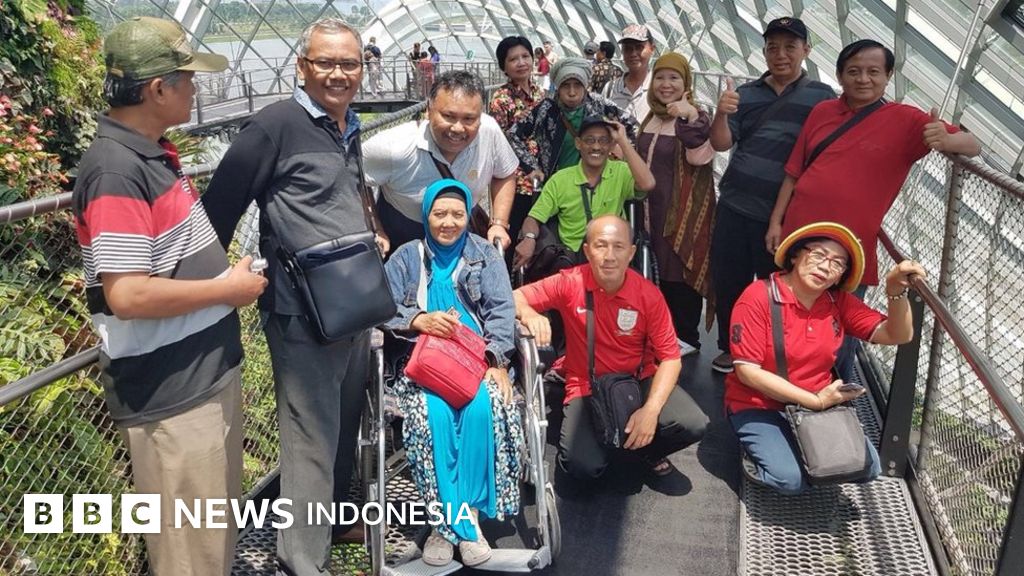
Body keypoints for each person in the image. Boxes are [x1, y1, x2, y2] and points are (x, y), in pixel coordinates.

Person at [72, 17, 267, 576]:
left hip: (200, 377)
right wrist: (227, 288)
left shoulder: (151, 154)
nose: (196, 89)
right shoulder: (117, 169)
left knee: (211, 536)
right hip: (173, 394)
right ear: (158, 89)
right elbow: (128, 292)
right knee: (190, 550)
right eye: (187, 79)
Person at [202, 18, 376, 575]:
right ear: (301, 66)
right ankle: (302, 561)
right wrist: (217, 288)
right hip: (302, 312)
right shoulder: (275, 124)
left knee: (343, 425)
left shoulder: (343, 125)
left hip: (354, 301)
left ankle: (329, 525)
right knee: (311, 439)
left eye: (348, 63)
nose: (337, 73)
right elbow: (217, 212)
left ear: (362, 69)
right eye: (325, 62)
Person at [765, 39, 981, 379]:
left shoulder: (906, 120)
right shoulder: (823, 112)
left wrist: (947, 139)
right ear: (839, 75)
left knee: (839, 330)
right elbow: (794, 172)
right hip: (798, 235)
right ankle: (781, 386)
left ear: (888, 75)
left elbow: (973, 145)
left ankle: (830, 402)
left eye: (873, 72)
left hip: (849, 249)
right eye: (853, 71)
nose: (862, 79)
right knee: (784, 317)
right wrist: (775, 222)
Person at [383, 179, 523, 567]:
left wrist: (496, 364)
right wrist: (418, 320)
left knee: (485, 408)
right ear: (425, 216)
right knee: (433, 417)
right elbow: (382, 309)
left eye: (457, 214)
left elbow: (501, 312)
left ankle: (463, 520)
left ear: (468, 216)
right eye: (439, 214)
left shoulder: (485, 256)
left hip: (475, 363)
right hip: (422, 366)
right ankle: (449, 525)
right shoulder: (406, 258)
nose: (448, 222)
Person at [726, 222, 926, 495]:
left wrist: (895, 291)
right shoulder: (758, 297)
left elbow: (897, 335)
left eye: (837, 263)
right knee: (790, 480)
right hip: (761, 404)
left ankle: (794, 449)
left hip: (814, 409)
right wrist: (816, 400)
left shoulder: (836, 302)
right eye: (818, 255)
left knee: (867, 468)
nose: (825, 266)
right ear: (795, 255)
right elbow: (747, 372)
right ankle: (757, 453)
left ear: (840, 276)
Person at [514, 215, 708, 480]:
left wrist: (650, 411)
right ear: (587, 251)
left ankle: (647, 449)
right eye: (600, 245)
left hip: (637, 378)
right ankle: (609, 441)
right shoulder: (570, 282)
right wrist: (530, 315)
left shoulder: (648, 295)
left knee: (693, 424)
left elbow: (671, 358)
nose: (609, 255)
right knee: (582, 468)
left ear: (631, 253)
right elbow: (515, 297)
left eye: (618, 247)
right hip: (586, 383)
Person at [708, 16, 836, 374]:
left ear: (805, 51)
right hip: (735, 202)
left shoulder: (821, 98)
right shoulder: (745, 95)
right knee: (729, 279)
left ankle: (765, 349)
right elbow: (721, 143)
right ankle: (730, 348)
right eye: (772, 47)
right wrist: (720, 113)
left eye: (790, 47)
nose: (780, 54)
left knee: (775, 284)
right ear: (764, 51)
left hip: (785, 214)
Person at [363, 70, 518, 250]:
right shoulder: (391, 146)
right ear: (428, 110)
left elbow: (505, 173)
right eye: (448, 116)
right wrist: (375, 227)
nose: (458, 128)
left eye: (469, 119)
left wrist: (499, 223)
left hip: (462, 233)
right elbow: (355, 180)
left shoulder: (489, 131)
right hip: (403, 234)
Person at [636, 52, 716, 358]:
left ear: (686, 82)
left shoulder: (696, 115)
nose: (666, 84)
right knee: (656, 266)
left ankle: (686, 335)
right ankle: (661, 330)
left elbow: (699, 156)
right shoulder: (653, 116)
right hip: (651, 210)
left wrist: (689, 116)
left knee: (680, 268)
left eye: (674, 78)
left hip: (681, 210)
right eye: (660, 77)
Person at [513, 115, 655, 271]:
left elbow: (648, 184)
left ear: (610, 146)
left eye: (603, 141)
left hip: (612, 260)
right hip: (573, 261)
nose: (596, 147)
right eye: (589, 140)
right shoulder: (560, 179)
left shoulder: (621, 171)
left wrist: (623, 141)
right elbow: (533, 218)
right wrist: (529, 238)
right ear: (578, 144)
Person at [507, 58, 638, 191]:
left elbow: (633, 126)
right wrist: (532, 167)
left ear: (585, 86)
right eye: (565, 85)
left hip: (596, 187)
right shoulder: (546, 109)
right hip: (557, 188)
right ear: (558, 87)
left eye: (577, 85)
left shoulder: (597, 103)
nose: (572, 92)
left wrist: (626, 157)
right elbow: (513, 135)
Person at [488, 36, 546, 252]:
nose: (521, 63)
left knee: (538, 237)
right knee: (512, 235)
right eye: (513, 59)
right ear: (504, 66)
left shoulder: (540, 94)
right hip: (516, 180)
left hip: (542, 178)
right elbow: (501, 142)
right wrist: (527, 168)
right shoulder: (501, 99)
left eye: (525, 56)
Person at [602, 24, 656, 122]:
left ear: (652, 49)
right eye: (628, 48)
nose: (633, 54)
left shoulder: (660, 88)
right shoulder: (610, 89)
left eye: (639, 47)